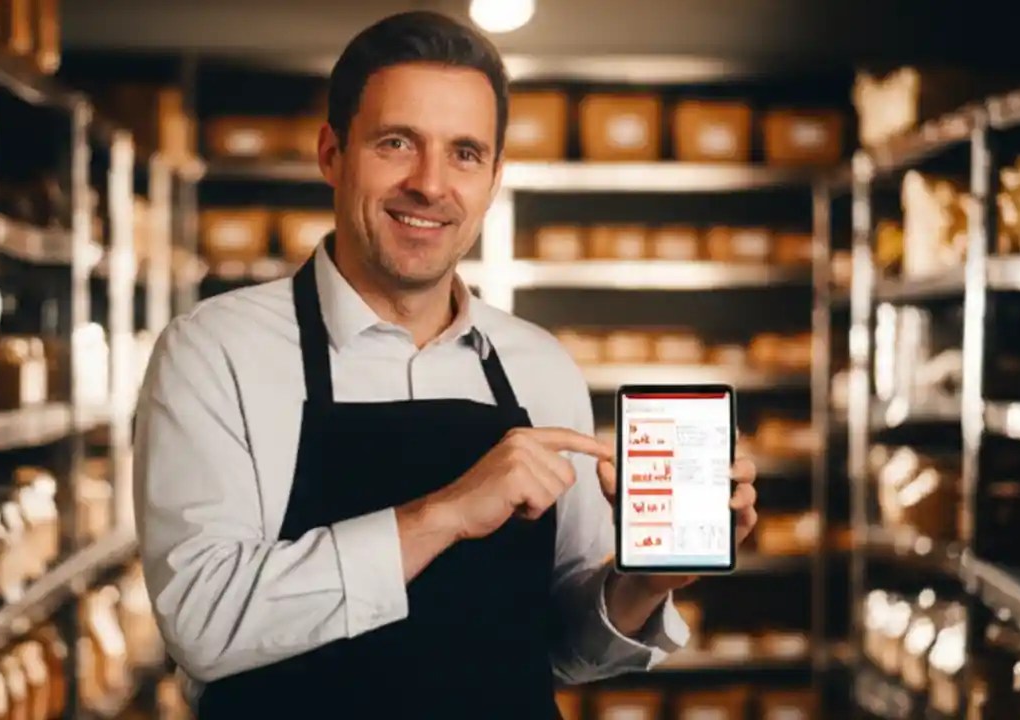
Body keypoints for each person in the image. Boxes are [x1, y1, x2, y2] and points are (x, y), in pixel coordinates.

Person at [133, 10, 759, 719]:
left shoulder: (538, 365)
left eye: (465, 153)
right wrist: (447, 514)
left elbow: (560, 644)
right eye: (397, 143)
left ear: (493, 179)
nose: (430, 185)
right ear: (332, 154)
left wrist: (647, 582)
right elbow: (202, 624)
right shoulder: (215, 351)